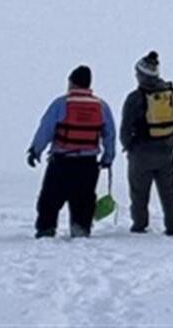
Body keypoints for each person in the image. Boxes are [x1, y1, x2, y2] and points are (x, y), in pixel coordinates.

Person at [27, 65, 115, 238]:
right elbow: (109, 134)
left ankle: (46, 229)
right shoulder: (101, 106)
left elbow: (46, 129)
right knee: (83, 201)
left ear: (72, 83)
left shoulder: (61, 103)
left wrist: (35, 151)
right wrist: (108, 157)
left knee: (50, 200)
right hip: (88, 164)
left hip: (61, 162)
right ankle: (80, 228)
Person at [119, 51, 173, 236]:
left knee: (139, 193)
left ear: (141, 74)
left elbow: (125, 129)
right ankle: (172, 225)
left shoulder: (135, 98)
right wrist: (171, 142)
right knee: (169, 193)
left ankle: (140, 225)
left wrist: (130, 146)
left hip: (141, 152)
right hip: (166, 151)